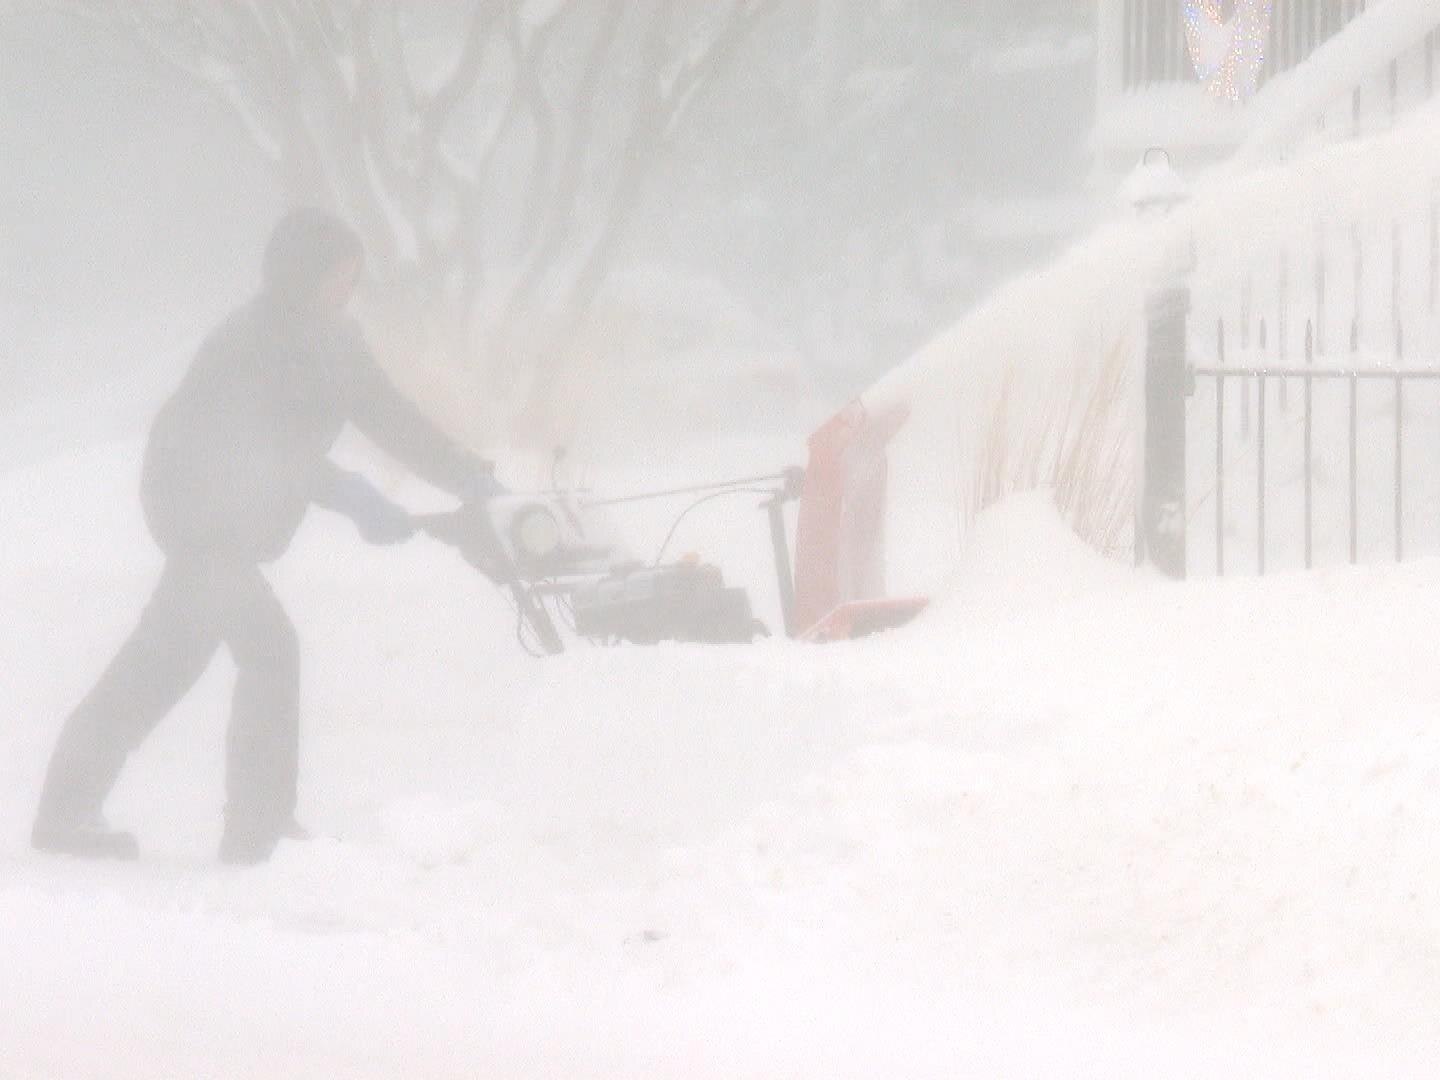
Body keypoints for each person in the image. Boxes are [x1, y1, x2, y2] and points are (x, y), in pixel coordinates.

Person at [31, 207, 502, 865]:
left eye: (353, 275)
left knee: (164, 661)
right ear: (300, 274)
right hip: (198, 513)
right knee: (266, 651)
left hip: (233, 525)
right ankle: (257, 829)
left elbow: (386, 412)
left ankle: (73, 812)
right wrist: (348, 494)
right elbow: (257, 445)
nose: (347, 286)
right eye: (337, 274)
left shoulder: (334, 338)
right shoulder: (251, 341)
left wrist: (464, 473)